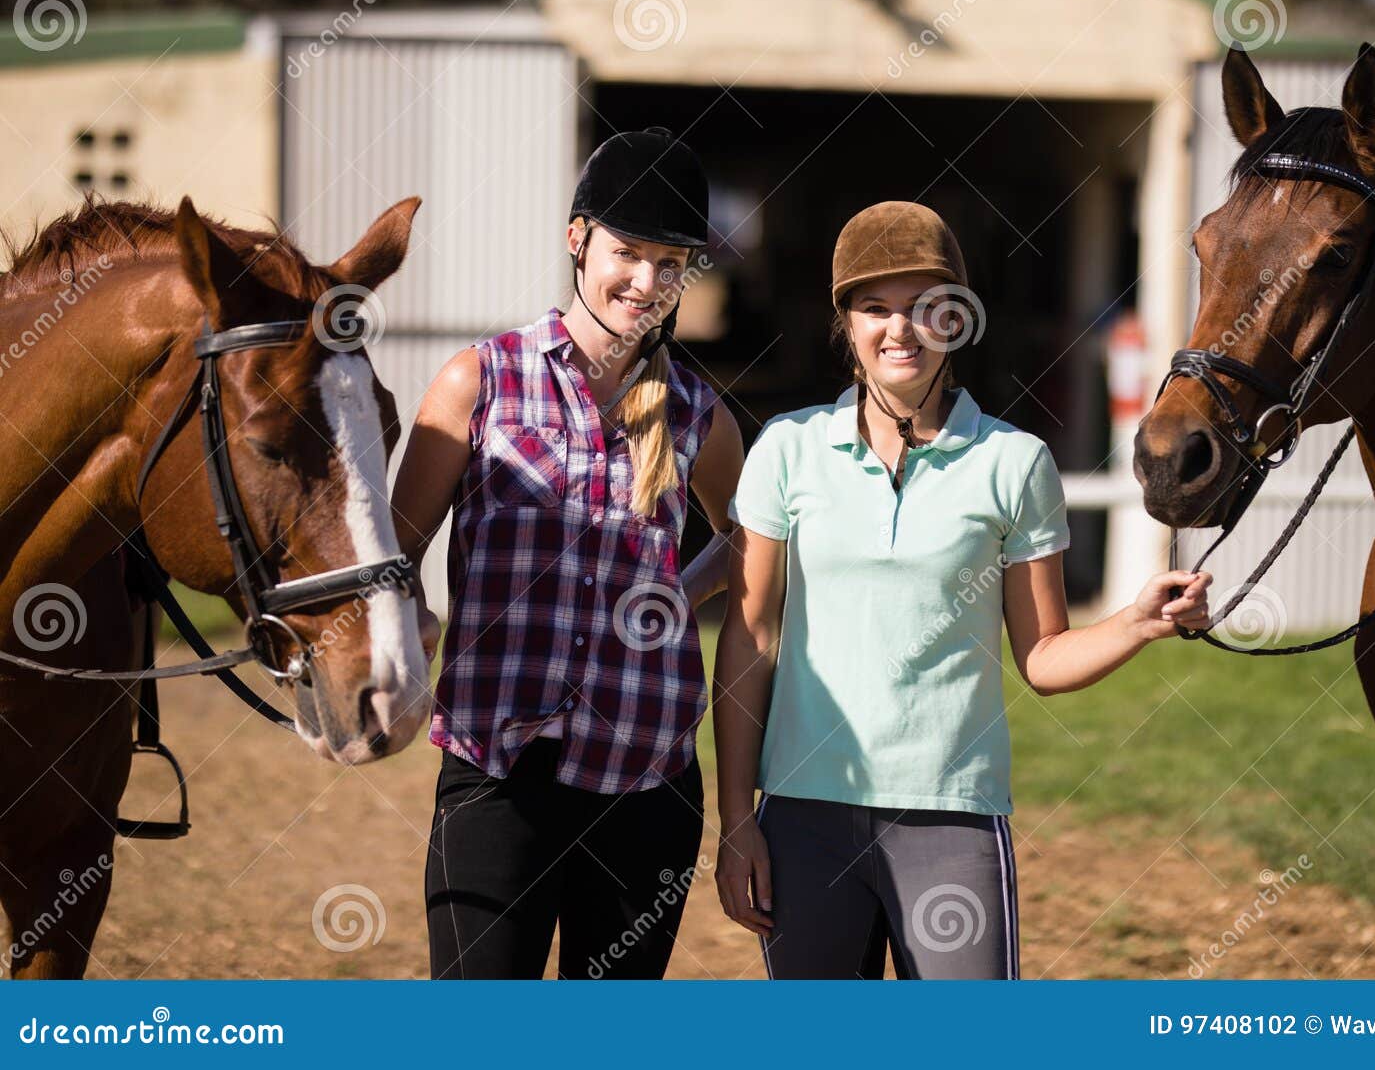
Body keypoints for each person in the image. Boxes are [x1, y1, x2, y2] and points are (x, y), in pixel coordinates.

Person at [711, 201, 1210, 979]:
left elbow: (1042, 655)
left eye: (925, 307)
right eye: (875, 307)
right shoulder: (787, 450)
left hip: (954, 819)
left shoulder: (1015, 464)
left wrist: (1139, 622)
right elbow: (750, 640)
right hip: (804, 814)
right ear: (845, 322)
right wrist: (736, 819)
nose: (899, 330)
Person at [390, 127, 743, 979]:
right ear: (578, 238)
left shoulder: (700, 414)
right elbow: (395, 551)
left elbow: (749, 538)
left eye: (672, 263)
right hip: (496, 769)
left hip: (647, 775)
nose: (648, 282)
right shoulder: (478, 382)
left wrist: (675, 596)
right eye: (628, 252)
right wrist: (417, 612)